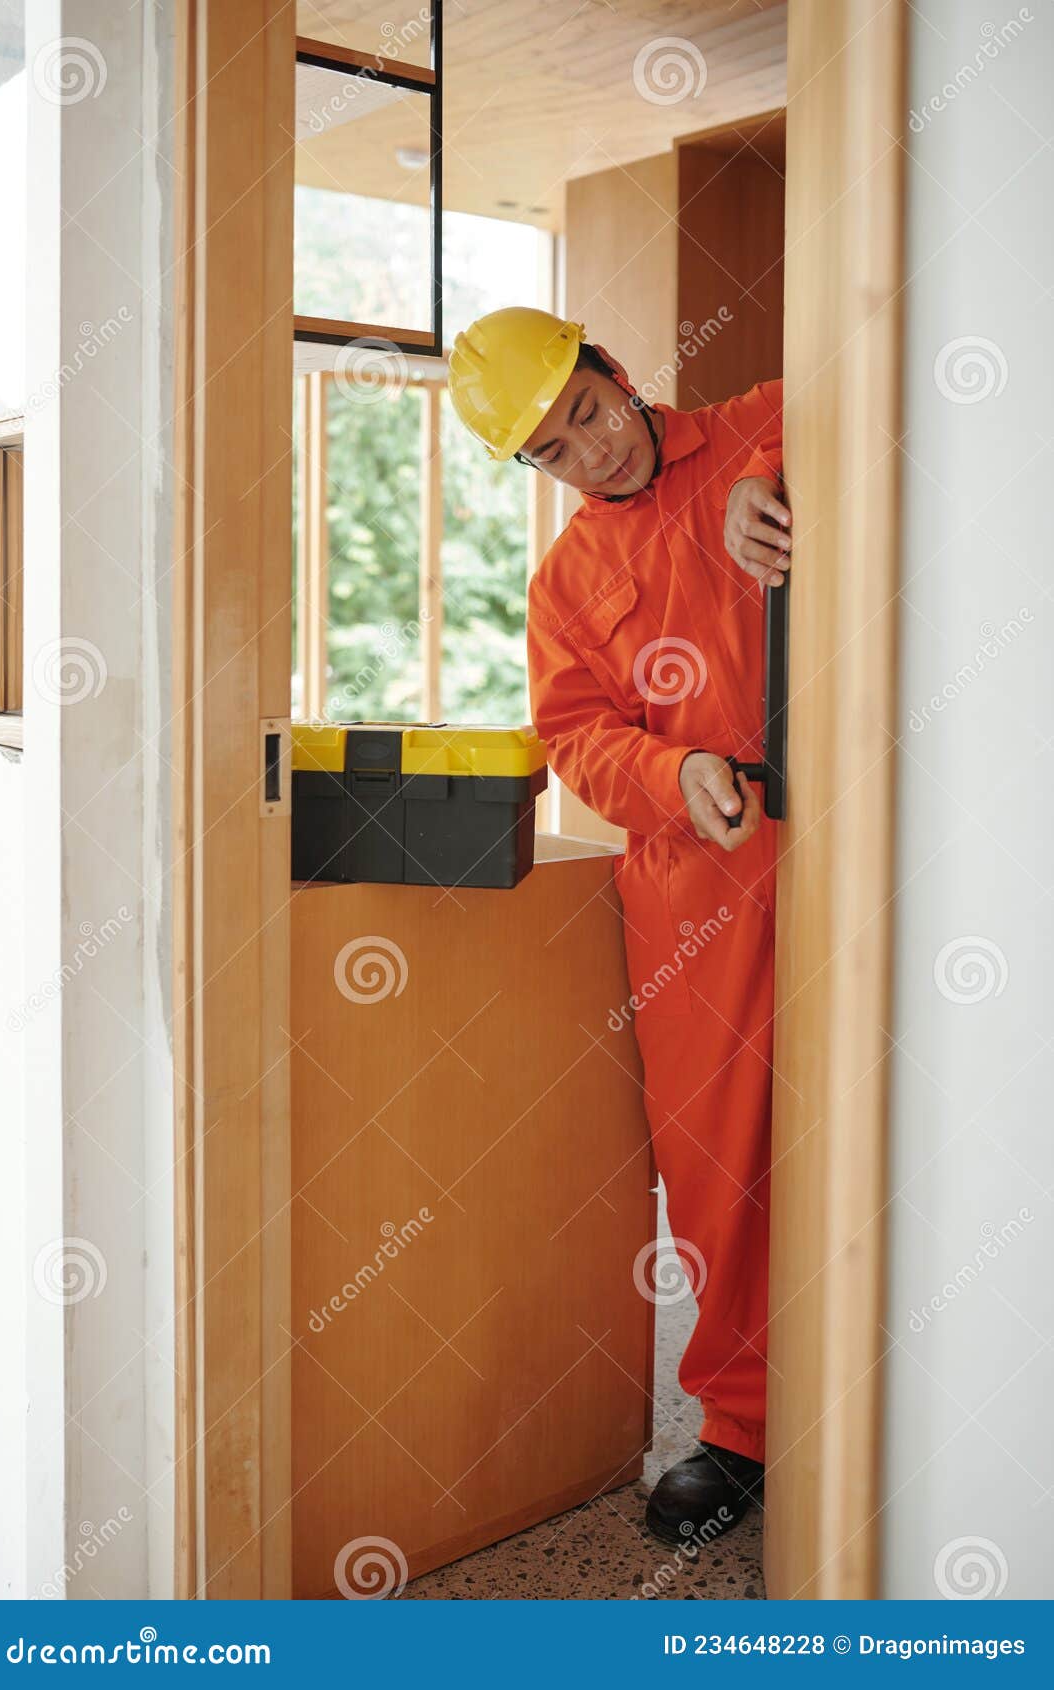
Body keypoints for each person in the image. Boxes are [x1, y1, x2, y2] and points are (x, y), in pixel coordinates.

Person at [447, 307, 790, 1548]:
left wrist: (768, 473)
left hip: (860, 831)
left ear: (619, 373)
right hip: (696, 875)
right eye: (548, 451)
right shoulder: (563, 586)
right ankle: (744, 1425)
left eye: (585, 413)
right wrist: (672, 773)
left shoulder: (761, 421)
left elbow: (865, 391)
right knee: (713, 1155)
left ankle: (907, 1371)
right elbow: (576, 736)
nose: (585, 455)